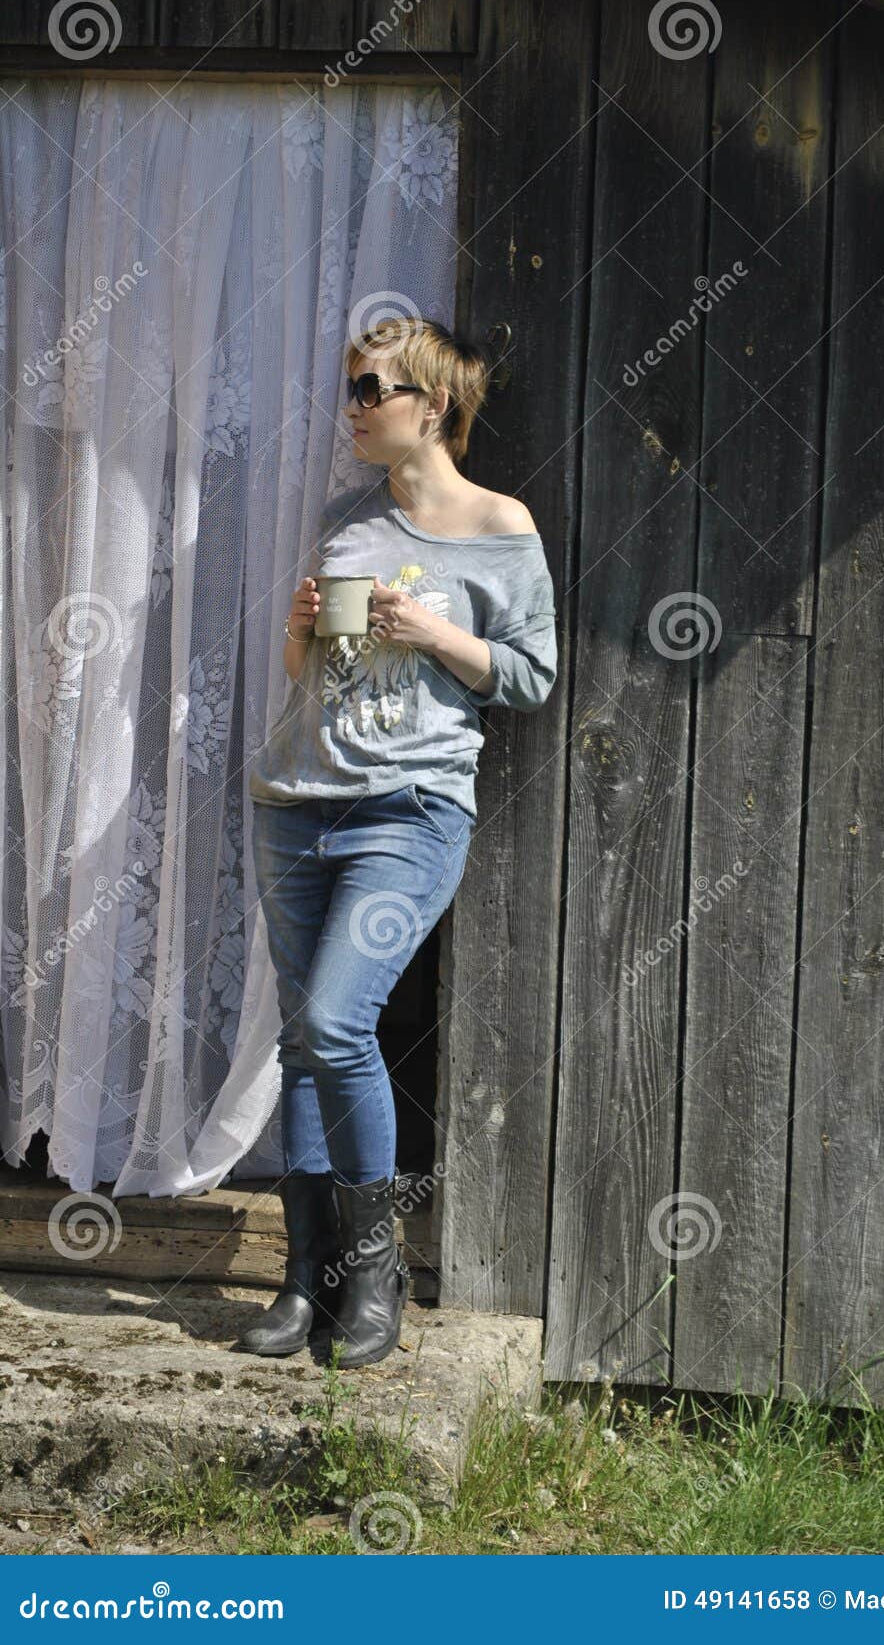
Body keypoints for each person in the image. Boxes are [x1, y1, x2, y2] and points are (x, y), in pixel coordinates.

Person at [242, 316, 558, 1367]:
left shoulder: (499, 524)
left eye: (373, 388)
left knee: (338, 1020)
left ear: (432, 403)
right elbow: (309, 679)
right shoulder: (346, 520)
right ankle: (302, 1284)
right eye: (350, 389)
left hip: (409, 811)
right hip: (296, 801)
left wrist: (437, 635)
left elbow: (532, 674)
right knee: (302, 1041)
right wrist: (298, 632)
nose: (356, 407)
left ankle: (374, 1280)